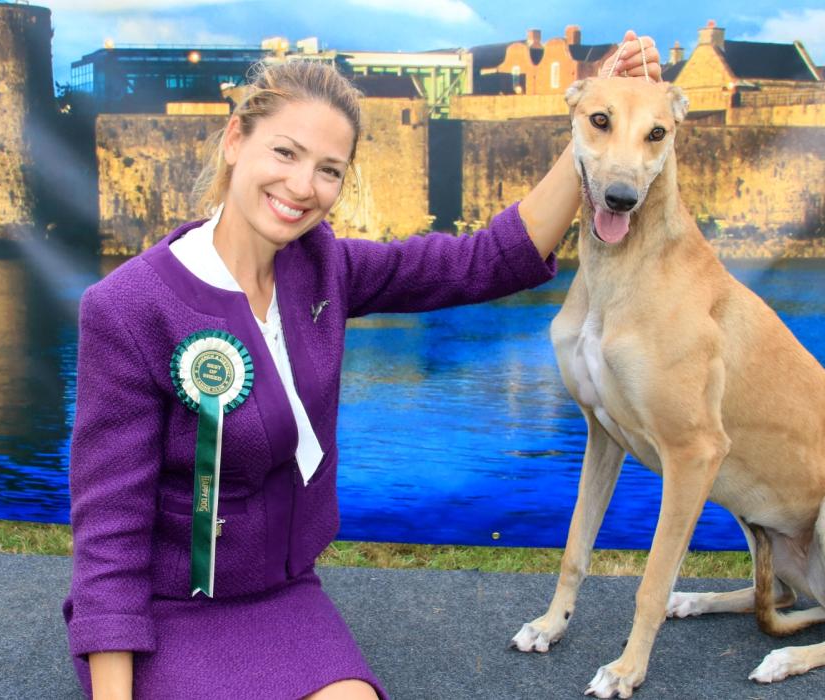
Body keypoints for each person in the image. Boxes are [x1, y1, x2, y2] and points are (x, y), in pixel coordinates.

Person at [64, 31, 661, 700]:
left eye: (328, 168)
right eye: (284, 153)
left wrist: (598, 126)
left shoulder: (323, 267)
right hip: (167, 607)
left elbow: (485, 260)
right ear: (235, 141)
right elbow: (108, 535)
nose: (303, 186)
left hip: (284, 596)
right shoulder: (126, 308)